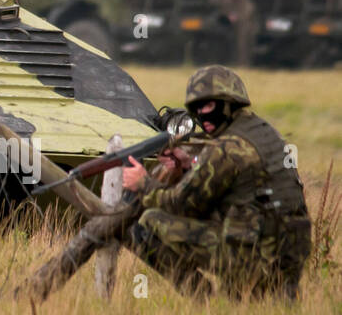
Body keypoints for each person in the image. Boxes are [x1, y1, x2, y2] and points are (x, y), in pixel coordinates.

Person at [23, 65, 311, 301]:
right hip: (287, 254)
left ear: (229, 102)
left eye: (209, 105)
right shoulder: (261, 133)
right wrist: (189, 165)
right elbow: (239, 186)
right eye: (196, 109)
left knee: (147, 222)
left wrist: (143, 183)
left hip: (256, 257)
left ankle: (204, 300)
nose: (202, 116)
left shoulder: (227, 148)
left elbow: (182, 204)